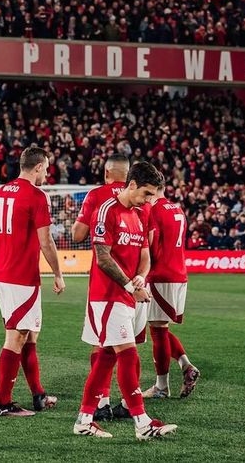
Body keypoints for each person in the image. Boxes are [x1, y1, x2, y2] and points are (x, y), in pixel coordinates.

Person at [73, 162, 176, 440]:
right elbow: (103, 257)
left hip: (127, 294)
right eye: (145, 193)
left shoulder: (140, 214)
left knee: (106, 358)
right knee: (128, 355)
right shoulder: (106, 210)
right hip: (107, 296)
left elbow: (145, 255)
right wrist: (131, 285)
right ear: (131, 184)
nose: (148, 200)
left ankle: (84, 420)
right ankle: (142, 423)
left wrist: (141, 277)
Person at [0, 146, 66, 418]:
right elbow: (46, 241)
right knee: (16, 337)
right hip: (21, 277)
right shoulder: (36, 195)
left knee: (29, 334)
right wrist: (57, 273)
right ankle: (3, 403)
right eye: (47, 167)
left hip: (5, 274)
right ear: (39, 166)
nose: (47, 173)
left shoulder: (1, 192)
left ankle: (38, 396)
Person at [71, 153, 147, 421]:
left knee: (103, 345)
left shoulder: (97, 196)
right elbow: (146, 247)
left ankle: (101, 403)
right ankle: (130, 408)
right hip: (135, 283)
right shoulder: (141, 204)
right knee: (125, 349)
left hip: (109, 285)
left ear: (106, 173)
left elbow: (78, 235)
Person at [142, 187, 200, 400]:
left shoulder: (154, 210)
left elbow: (152, 247)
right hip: (179, 273)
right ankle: (186, 366)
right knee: (161, 328)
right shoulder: (177, 209)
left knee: (157, 330)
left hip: (161, 275)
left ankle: (161, 386)